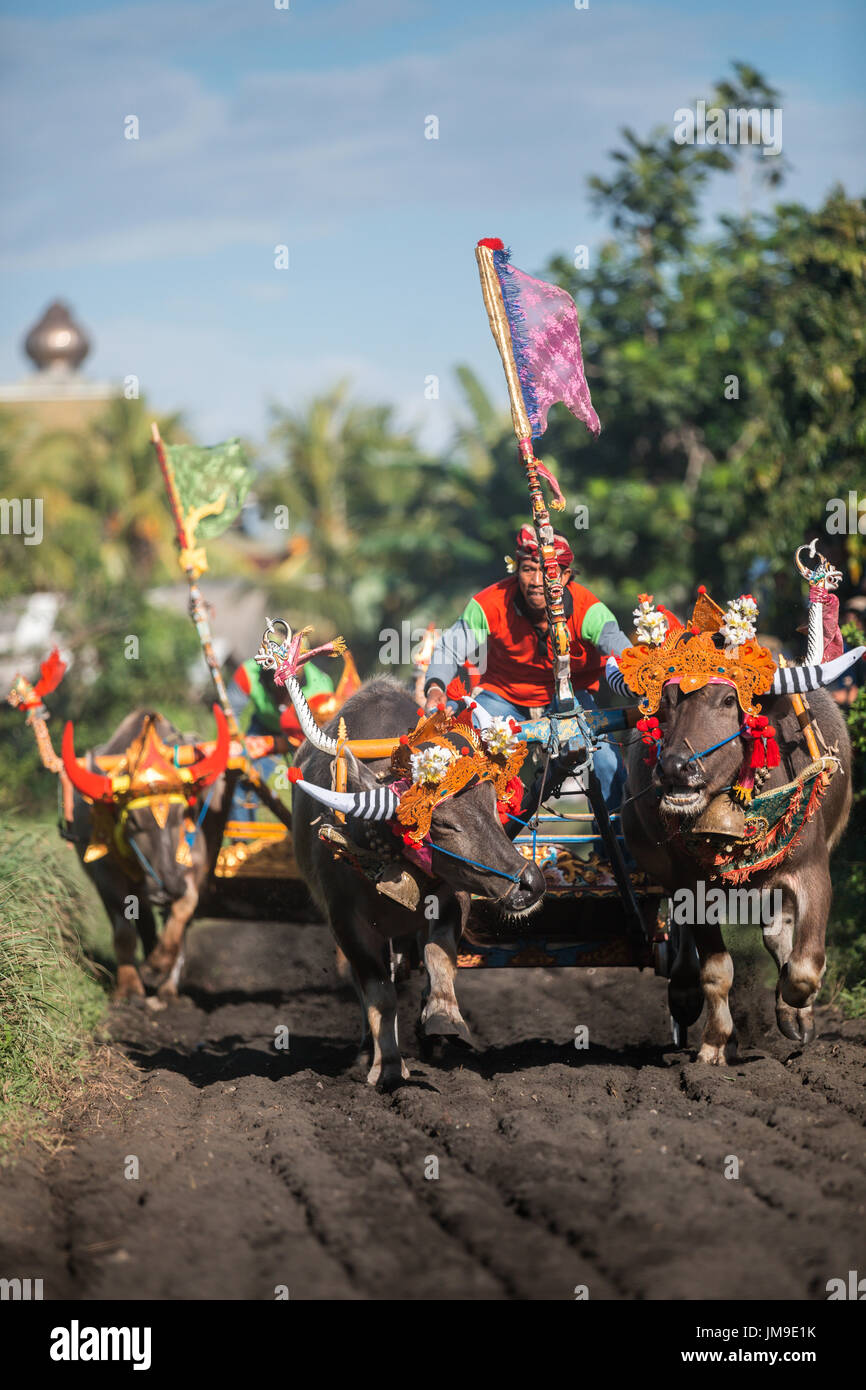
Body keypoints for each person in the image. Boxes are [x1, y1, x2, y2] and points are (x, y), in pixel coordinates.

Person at [423, 525, 632, 810]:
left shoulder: (590, 610)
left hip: (570, 699)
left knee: (606, 760)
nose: (535, 581)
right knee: (457, 747)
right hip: (502, 699)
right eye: (527, 570)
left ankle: (616, 847)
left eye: (546, 572)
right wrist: (435, 686)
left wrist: (640, 677)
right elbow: (450, 648)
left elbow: (624, 654)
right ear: (516, 571)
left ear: (566, 576)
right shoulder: (489, 603)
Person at [228, 655, 335, 820]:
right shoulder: (248, 673)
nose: (282, 697)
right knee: (242, 778)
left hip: (305, 734)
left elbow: (324, 736)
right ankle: (241, 841)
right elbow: (230, 712)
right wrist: (234, 741)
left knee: (310, 784)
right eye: (278, 684)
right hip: (264, 727)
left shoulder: (321, 691)